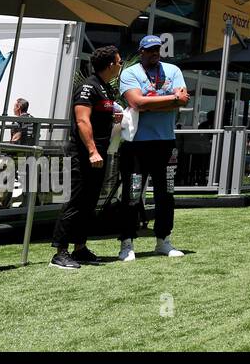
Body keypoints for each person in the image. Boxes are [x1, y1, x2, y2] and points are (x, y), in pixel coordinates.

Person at [51, 46, 123, 269]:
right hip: (84, 154)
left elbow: (101, 116)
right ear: (110, 64)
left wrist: (114, 117)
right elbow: (82, 121)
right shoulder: (87, 86)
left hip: (100, 152)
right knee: (77, 200)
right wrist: (92, 151)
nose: (120, 66)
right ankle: (60, 252)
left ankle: (80, 248)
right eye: (119, 62)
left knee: (90, 202)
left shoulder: (105, 89)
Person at [118, 35, 189, 261]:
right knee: (132, 193)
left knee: (166, 194)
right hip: (136, 144)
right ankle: (126, 244)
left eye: (157, 49)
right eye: (149, 50)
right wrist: (171, 100)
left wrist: (150, 104)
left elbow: (184, 100)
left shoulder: (173, 70)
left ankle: (163, 241)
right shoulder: (130, 73)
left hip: (166, 143)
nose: (154, 53)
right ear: (141, 52)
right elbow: (136, 103)